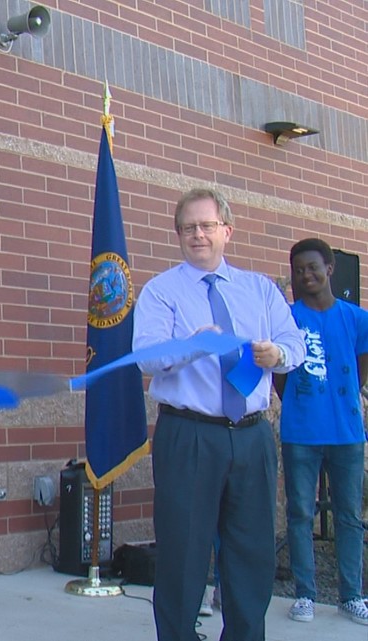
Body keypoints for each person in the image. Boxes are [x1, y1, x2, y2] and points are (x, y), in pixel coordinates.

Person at [133, 188, 305, 641]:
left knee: (251, 553)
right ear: (178, 234)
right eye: (188, 227)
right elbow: (147, 357)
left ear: (227, 230)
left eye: (207, 226)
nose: (198, 235)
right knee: (183, 554)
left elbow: (296, 345)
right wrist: (191, 346)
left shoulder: (260, 290)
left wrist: (278, 353)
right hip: (190, 435)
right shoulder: (161, 292)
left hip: (251, 436)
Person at [274, 237, 368, 626]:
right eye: (298, 270)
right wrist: (298, 400)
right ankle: (305, 594)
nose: (305, 275)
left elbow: (362, 363)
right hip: (301, 433)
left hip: (347, 432)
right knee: (300, 513)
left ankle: (351, 594)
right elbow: (279, 374)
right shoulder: (287, 318)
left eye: (312, 267)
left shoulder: (356, 317)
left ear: (329, 268)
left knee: (349, 515)